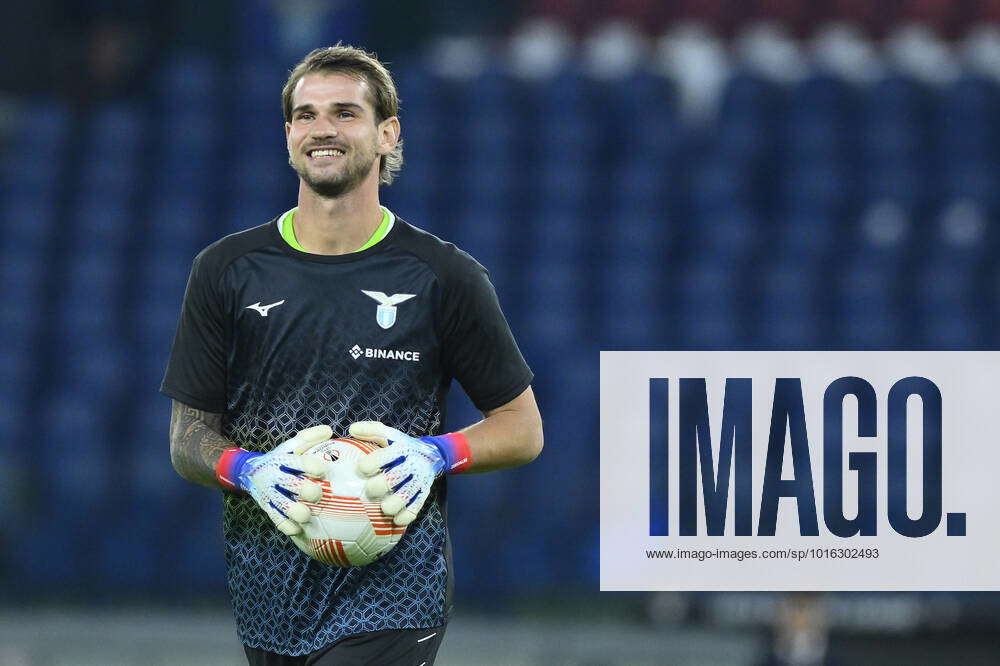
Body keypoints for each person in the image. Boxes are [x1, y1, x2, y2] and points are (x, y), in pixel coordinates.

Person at [161, 44, 543, 665]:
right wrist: (247, 470)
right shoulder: (226, 272)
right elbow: (186, 440)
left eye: (345, 113)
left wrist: (436, 455)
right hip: (269, 600)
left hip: (396, 596)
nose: (323, 130)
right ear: (288, 136)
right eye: (306, 116)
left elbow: (523, 430)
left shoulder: (443, 277)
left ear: (387, 133)